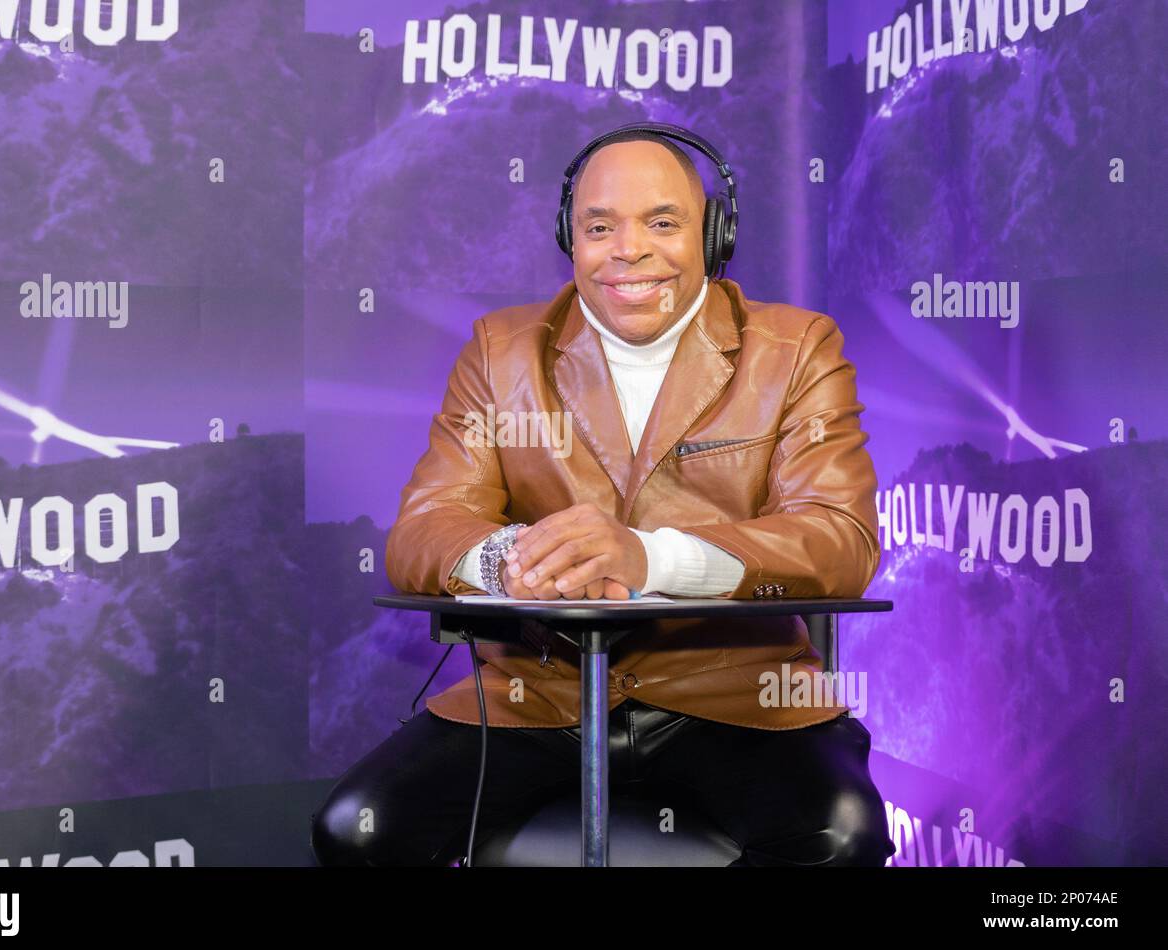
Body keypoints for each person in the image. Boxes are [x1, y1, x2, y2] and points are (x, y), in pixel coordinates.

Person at [311, 126, 895, 866]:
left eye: (662, 222)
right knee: (356, 830)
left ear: (713, 235)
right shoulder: (499, 350)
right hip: (537, 697)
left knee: (840, 838)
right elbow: (424, 529)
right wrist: (509, 560)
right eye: (598, 227)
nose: (629, 249)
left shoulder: (796, 347)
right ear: (569, 239)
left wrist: (647, 558)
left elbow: (839, 538)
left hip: (742, 694)